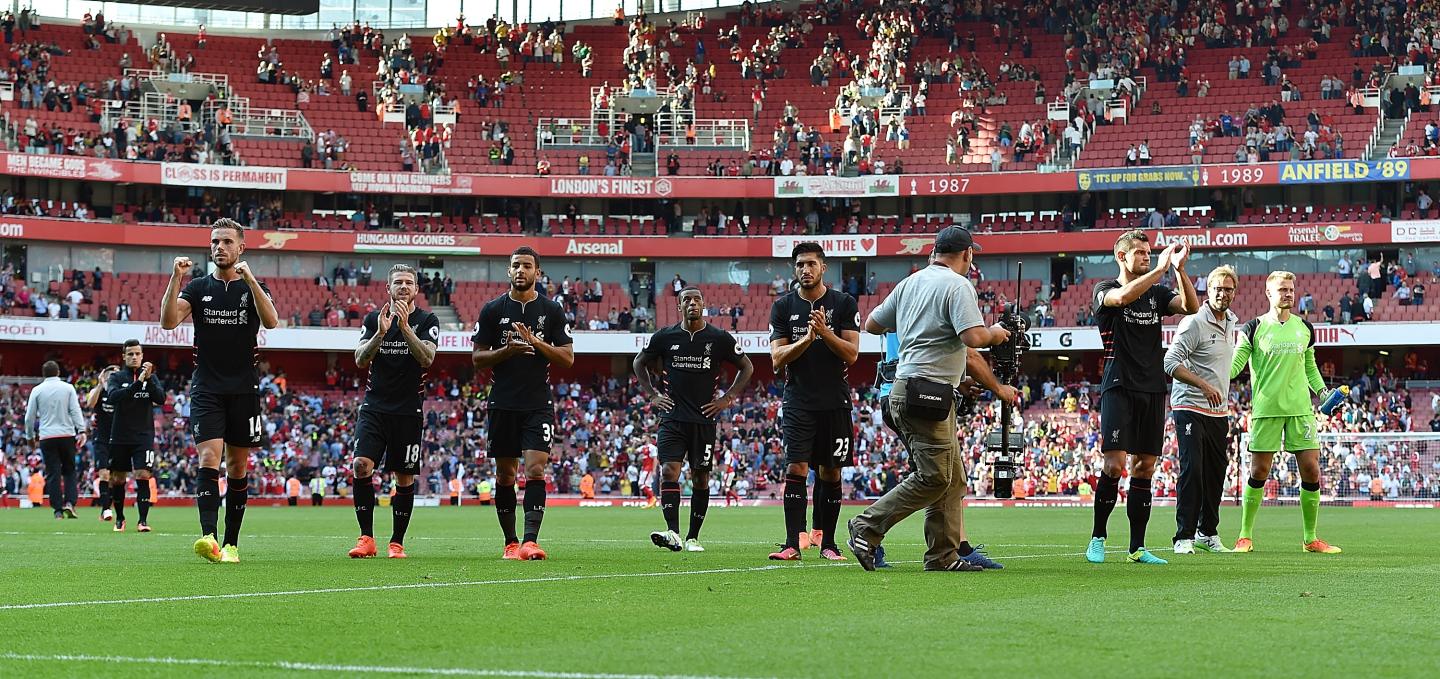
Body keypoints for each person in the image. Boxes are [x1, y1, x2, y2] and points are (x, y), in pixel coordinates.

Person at [847, 227, 1017, 572]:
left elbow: (872, 324)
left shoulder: (910, 283)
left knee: (953, 479)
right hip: (926, 394)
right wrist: (996, 333)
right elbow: (973, 337)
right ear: (967, 255)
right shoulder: (957, 285)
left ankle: (943, 556)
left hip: (909, 388)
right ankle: (866, 526)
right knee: (936, 477)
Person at [160, 218, 279, 564]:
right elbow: (168, 322)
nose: (219, 248)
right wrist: (175, 278)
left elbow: (271, 321)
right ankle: (209, 537)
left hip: (244, 388)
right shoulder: (197, 288)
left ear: (241, 248)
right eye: (214, 242)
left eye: (227, 242)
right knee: (209, 458)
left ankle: (231, 543)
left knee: (238, 466)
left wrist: (251, 279)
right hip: (207, 388)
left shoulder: (254, 287)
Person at [1086, 230, 1199, 565]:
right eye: (1140, 252)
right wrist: (1160, 271)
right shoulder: (1104, 290)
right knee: (1114, 464)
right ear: (1122, 256)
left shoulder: (1156, 293)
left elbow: (1191, 307)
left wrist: (1178, 270)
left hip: (1152, 386)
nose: (1148, 257)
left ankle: (1137, 547)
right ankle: (1098, 538)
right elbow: (1121, 299)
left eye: (1150, 252)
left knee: (1145, 466)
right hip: (1119, 384)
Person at [472, 246, 574, 560]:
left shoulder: (552, 310)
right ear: (509, 270)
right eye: (516, 265)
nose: (521, 270)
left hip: (537, 402)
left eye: (527, 266)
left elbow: (568, 358)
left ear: (537, 272)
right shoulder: (492, 309)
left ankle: (530, 541)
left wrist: (535, 342)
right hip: (502, 401)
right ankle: (510, 542)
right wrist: (508, 351)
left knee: (535, 469)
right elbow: (477, 358)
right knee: (505, 475)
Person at [1229, 272, 1343, 554]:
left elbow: (1310, 367)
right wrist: (1215, 378)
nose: (1288, 294)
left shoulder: (1304, 328)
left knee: (1311, 469)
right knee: (1259, 470)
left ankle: (1310, 538)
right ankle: (1245, 536)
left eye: (1291, 289)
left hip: (1300, 410)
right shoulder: (1253, 327)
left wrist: (1323, 393)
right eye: (1282, 289)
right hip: (1266, 410)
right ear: (1268, 294)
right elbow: (1234, 366)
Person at [635, 287, 754, 552]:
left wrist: (728, 398)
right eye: (686, 300)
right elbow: (638, 362)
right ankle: (673, 533)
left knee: (700, 478)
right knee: (669, 472)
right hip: (673, 418)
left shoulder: (719, 338)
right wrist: (653, 395)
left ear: (704, 305)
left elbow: (747, 366)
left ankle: (693, 537)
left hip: (704, 420)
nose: (691, 303)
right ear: (679, 307)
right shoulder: (665, 337)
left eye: (696, 300)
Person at [766, 242, 861, 561]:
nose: (805, 269)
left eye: (811, 264)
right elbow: (776, 359)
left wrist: (825, 333)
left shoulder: (844, 303)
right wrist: (806, 339)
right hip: (798, 401)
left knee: (831, 472)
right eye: (799, 265)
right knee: (796, 466)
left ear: (824, 268)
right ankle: (792, 542)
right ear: (794, 270)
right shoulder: (782, 307)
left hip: (835, 401)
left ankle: (829, 545)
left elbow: (852, 353)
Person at [347, 264, 439, 560]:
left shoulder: (427, 319)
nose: (403, 286)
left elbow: (426, 358)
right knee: (361, 464)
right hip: (374, 407)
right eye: (397, 282)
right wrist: (380, 334)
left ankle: (396, 542)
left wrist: (406, 327)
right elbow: (360, 360)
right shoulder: (374, 319)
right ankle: (366, 538)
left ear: (416, 289)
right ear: (388, 288)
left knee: (404, 478)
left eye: (408, 283)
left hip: (408, 410)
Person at [1163, 266, 1238, 554]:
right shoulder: (1193, 322)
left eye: (1228, 288)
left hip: (1218, 412)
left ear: (1235, 292)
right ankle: (1183, 536)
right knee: (1193, 469)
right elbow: (1170, 363)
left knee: (1216, 472)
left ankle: (1207, 532)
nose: (1222, 293)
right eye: (1217, 288)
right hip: (1189, 405)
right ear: (1208, 289)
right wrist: (1203, 385)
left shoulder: (1232, 322)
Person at [104, 339, 165, 533]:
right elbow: (113, 398)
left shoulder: (151, 378)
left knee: (143, 475)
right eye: (130, 354)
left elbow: (161, 399)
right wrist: (137, 384)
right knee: (118, 479)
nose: (134, 357)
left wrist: (148, 379)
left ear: (142, 356)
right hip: (120, 435)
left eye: (137, 354)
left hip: (143, 435)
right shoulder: (116, 377)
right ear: (124, 356)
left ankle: (143, 520)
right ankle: (120, 518)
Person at [24, 360, 87, 519]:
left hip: (47, 436)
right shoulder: (68, 388)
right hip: (67, 434)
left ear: (43, 374)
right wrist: (82, 430)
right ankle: (70, 503)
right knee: (69, 471)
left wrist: (30, 437)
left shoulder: (37, 390)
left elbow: (29, 417)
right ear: (58, 372)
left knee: (53, 473)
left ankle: (57, 510)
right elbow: (75, 410)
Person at [85, 363, 120, 522]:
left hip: (119, 439)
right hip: (101, 438)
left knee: (115, 477)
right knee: (104, 473)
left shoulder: (122, 392)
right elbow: (90, 404)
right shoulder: (98, 391)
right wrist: (99, 384)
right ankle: (106, 509)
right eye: (110, 374)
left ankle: (108, 506)